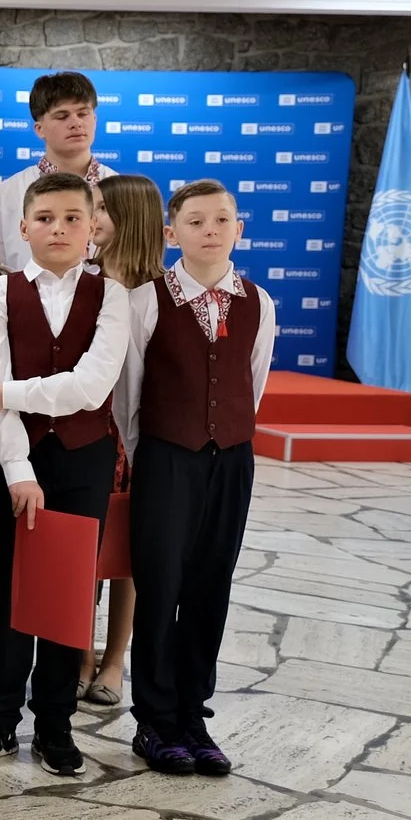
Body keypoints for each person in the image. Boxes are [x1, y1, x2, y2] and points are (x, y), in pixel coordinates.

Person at [0, 173, 127, 779]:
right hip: (14, 458)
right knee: (7, 590)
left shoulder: (112, 296)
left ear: (92, 227)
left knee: (68, 594)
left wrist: (8, 391)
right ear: (24, 227)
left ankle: (55, 724)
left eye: (72, 218)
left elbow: (90, 387)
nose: (59, 229)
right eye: (46, 218)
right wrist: (17, 468)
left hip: (83, 459)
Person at [119, 181, 275, 779]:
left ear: (239, 228)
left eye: (222, 220)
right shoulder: (146, 301)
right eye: (196, 221)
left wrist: (225, 437)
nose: (210, 230)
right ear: (171, 233)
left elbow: (253, 381)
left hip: (231, 459)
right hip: (165, 457)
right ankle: (155, 720)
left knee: (212, 586)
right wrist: (150, 454)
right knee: (161, 587)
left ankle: (192, 716)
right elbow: (129, 394)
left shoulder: (258, 303)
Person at [82, 172, 165, 705]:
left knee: (127, 556)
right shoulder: (82, 282)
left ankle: (114, 661)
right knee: (83, 548)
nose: (90, 219)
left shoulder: (161, 295)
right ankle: (78, 654)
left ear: (129, 217)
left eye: (100, 209)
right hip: (87, 432)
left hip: (140, 439)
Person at [0, 71, 108, 274]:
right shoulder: (4, 197)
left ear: (94, 120)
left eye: (83, 113)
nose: (76, 123)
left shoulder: (121, 191)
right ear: (39, 129)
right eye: (62, 116)